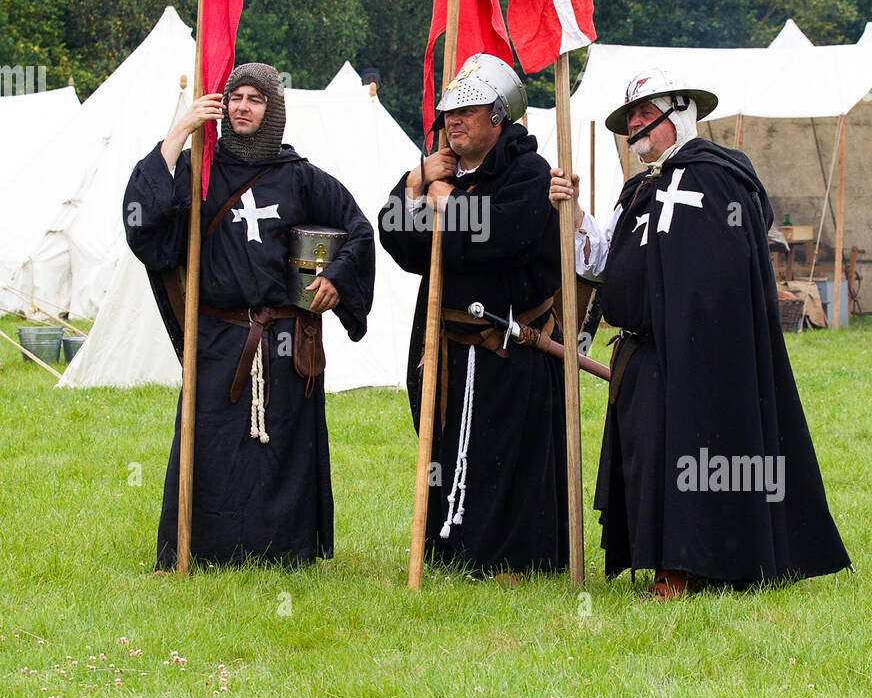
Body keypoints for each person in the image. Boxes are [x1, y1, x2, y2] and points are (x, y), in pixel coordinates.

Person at [550, 68, 852, 598]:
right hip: (644, 353)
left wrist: (695, 331)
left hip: (704, 351)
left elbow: (728, 271)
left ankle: (692, 566)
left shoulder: (718, 178)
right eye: (631, 118)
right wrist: (576, 219)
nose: (637, 125)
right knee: (651, 455)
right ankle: (661, 558)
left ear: (681, 112)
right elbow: (611, 260)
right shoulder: (638, 189)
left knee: (695, 457)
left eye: (647, 113)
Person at [123, 62, 374, 570]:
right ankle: (205, 549)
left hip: (284, 341)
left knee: (281, 451)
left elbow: (359, 230)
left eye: (254, 99)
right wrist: (181, 130)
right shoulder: (200, 171)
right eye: (234, 97)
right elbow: (145, 225)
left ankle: (282, 553)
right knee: (211, 449)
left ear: (273, 109)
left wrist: (336, 280)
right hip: (217, 338)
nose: (242, 106)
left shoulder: (299, 175)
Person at [379, 53, 568, 577]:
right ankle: (449, 551)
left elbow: (507, 232)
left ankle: (510, 560)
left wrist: (446, 206)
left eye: (468, 111)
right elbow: (396, 238)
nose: (452, 122)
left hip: (508, 346)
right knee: (442, 450)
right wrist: (414, 182)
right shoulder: (436, 171)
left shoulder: (528, 171)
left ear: (499, 117)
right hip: (443, 346)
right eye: (448, 114)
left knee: (505, 456)